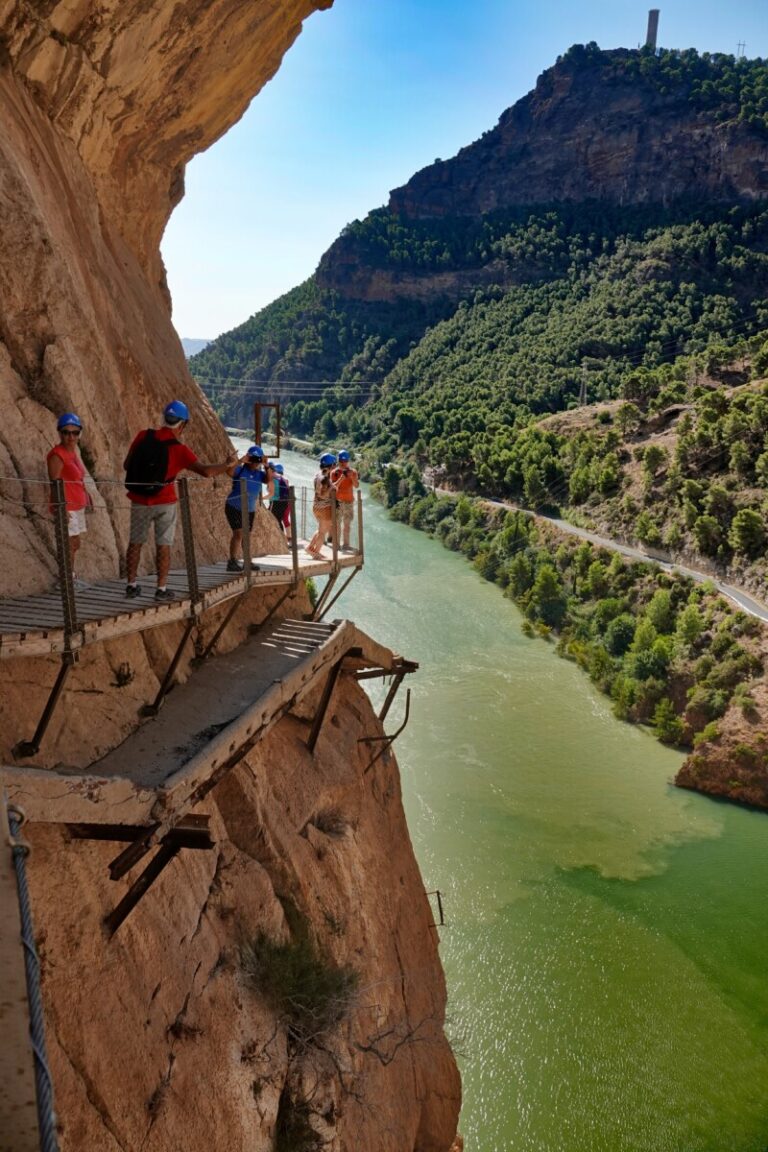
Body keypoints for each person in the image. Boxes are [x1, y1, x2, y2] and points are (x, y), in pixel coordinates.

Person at [123, 400, 236, 600]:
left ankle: (131, 585)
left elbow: (127, 465)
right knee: (163, 545)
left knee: (135, 542)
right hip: (165, 501)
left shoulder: (143, 436)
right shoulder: (180, 450)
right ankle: (161, 589)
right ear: (182, 424)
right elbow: (206, 472)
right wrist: (226, 465)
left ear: (165, 418)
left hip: (139, 499)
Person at [47, 412, 92, 590]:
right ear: (60, 433)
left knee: (75, 543)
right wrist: (61, 507)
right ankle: (66, 580)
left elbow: (76, 478)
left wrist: (87, 496)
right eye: (66, 432)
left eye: (74, 432)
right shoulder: (57, 455)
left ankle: (70, 576)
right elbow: (55, 482)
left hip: (77, 505)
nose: (70, 436)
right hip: (67, 506)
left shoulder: (72, 452)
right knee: (69, 543)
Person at [224, 445, 267, 570]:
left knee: (246, 536)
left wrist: (267, 465)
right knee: (238, 534)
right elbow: (229, 472)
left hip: (249, 509)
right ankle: (232, 562)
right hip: (234, 506)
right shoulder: (240, 470)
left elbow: (268, 479)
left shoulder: (260, 474)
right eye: (252, 459)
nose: (254, 463)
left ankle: (247, 561)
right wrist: (240, 461)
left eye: (257, 460)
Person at [306, 452, 336, 558]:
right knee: (323, 532)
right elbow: (324, 494)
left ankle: (310, 548)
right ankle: (315, 552)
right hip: (324, 508)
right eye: (334, 464)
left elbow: (321, 490)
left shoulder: (318, 475)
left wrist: (334, 484)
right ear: (331, 465)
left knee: (321, 529)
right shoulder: (325, 478)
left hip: (316, 506)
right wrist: (332, 489)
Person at [330, 449, 359, 551]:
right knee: (337, 524)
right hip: (338, 501)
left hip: (349, 502)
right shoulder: (334, 472)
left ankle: (346, 544)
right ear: (338, 461)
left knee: (347, 525)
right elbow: (333, 487)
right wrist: (341, 478)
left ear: (348, 461)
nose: (343, 463)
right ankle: (336, 545)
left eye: (345, 461)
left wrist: (352, 477)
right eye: (341, 461)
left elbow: (356, 485)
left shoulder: (353, 472)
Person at [266, 461, 291, 540]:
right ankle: (288, 537)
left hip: (277, 501)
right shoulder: (283, 478)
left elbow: (271, 492)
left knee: (277, 519)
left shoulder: (273, 479)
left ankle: (282, 538)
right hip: (286, 502)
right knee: (284, 519)